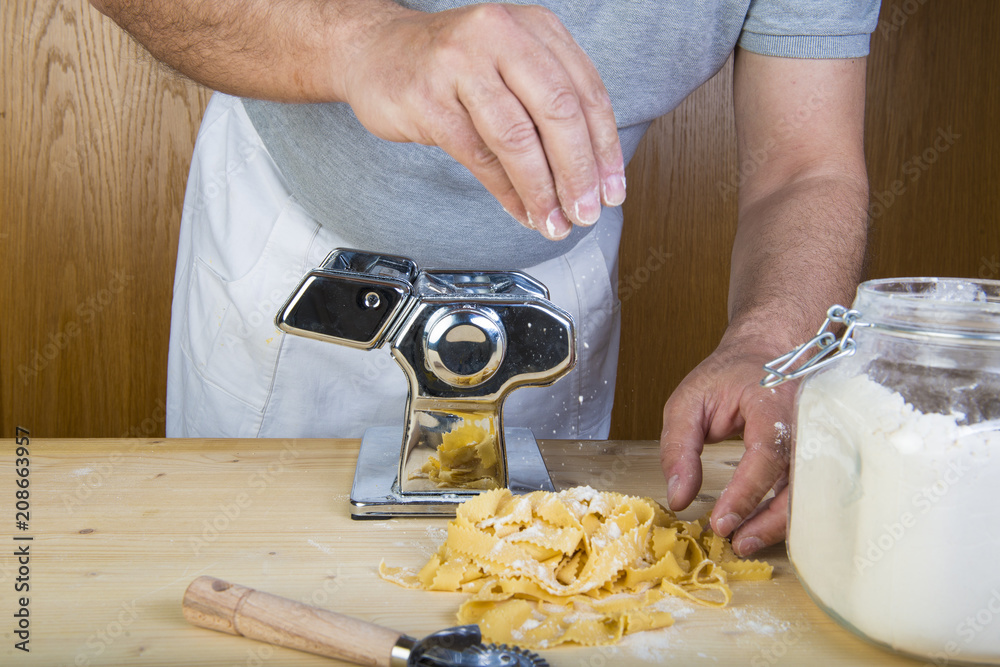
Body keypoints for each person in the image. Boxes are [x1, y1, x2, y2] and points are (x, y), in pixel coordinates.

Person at [90, 0, 880, 556]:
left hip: (555, 278)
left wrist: (774, 340)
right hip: (299, 263)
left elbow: (805, 167)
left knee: (518, 601)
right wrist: (363, 39)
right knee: (261, 595)